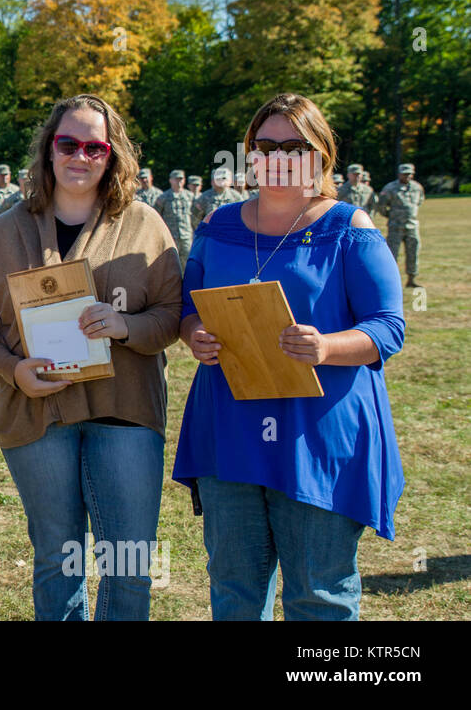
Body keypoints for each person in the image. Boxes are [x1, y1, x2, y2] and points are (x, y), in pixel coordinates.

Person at [175, 92, 405, 621]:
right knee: (234, 592)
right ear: (250, 154)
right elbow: (188, 309)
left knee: (318, 597)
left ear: (321, 153)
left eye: (295, 145)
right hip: (230, 427)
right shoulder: (217, 227)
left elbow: (388, 328)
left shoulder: (350, 227)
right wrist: (196, 336)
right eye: (264, 144)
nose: (278, 156)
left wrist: (325, 346)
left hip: (317, 433)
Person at [0, 93, 181, 621]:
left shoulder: (145, 224)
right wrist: (13, 370)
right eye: (68, 143)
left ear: (113, 154)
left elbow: (174, 314)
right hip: (37, 416)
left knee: (129, 562)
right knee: (58, 560)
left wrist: (127, 326)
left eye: (95, 146)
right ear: (49, 150)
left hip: (123, 410)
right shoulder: (6, 230)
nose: (81, 156)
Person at [377, 163, 425, 288]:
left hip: (412, 226)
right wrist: (392, 216)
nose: (407, 176)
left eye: (409, 174)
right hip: (395, 227)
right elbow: (381, 206)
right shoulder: (390, 188)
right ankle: (391, 281)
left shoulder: (417, 187)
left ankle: (411, 279)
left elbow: (419, 202)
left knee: (413, 253)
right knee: (392, 254)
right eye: (404, 174)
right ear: (399, 174)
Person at [154, 169, 195, 265]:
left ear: (184, 180)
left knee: (188, 262)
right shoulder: (163, 197)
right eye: (176, 179)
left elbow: (196, 216)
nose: (179, 182)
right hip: (171, 236)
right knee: (171, 263)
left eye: (181, 179)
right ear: (170, 180)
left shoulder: (190, 196)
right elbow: (157, 216)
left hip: (186, 236)